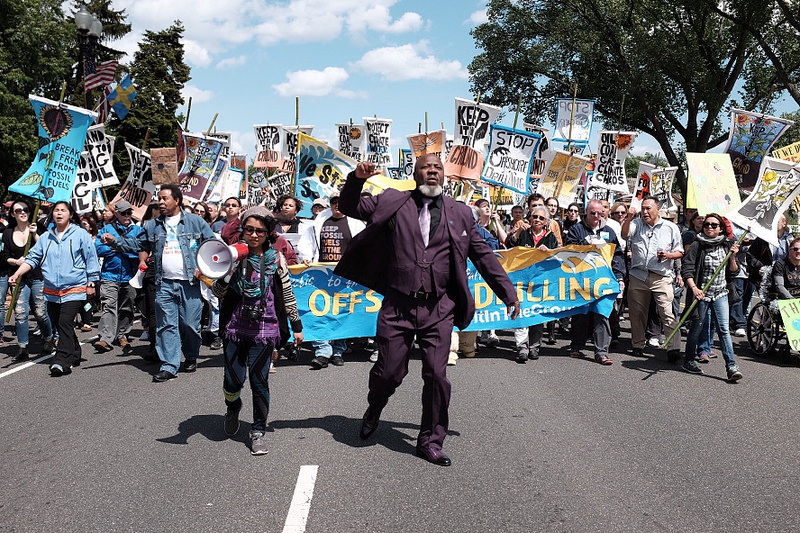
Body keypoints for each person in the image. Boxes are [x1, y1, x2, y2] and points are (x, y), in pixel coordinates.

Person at [335, 154, 520, 467]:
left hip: (439, 307)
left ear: (444, 176)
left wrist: (508, 293)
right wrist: (357, 179)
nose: (432, 171)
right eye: (426, 167)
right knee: (389, 373)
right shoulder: (392, 202)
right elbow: (351, 206)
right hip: (398, 305)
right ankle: (375, 406)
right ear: (415, 173)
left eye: (437, 168)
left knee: (437, 374)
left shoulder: (461, 213)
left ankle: (430, 440)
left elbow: (484, 256)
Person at [213, 208, 303, 455]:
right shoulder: (232, 256)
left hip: (266, 328)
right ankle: (233, 407)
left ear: (268, 233)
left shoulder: (277, 259)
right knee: (232, 380)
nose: (254, 235)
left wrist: (296, 326)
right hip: (235, 327)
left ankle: (258, 430)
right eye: (249, 229)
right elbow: (218, 293)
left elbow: (286, 293)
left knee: (259, 380)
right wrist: (229, 271)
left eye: (260, 231)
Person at [119, 184, 216, 382]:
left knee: (190, 324)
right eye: (159, 199)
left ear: (177, 200)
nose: (160, 202)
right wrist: (114, 241)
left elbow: (212, 246)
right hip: (163, 284)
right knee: (166, 325)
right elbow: (139, 244)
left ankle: (190, 355)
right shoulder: (153, 225)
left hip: (190, 283)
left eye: (165, 198)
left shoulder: (196, 222)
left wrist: (204, 268)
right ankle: (169, 365)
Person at [9, 201, 100, 376]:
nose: (59, 213)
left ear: (70, 214)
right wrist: (17, 274)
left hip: (75, 286)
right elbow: (32, 258)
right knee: (59, 324)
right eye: (56, 211)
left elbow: (91, 258)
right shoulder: (45, 238)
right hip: (51, 290)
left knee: (65, 321)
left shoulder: (80, 234)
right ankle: (74, 352)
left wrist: (92, 282)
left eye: (63, 210)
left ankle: (62, 361)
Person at [297, 195, 365, 369]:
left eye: (341, 202)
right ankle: (322, 351)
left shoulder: (356, 223)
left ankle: (338, 351)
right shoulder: (320, 221)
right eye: (334, 202)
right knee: (318, 311)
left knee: (342, 312)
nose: (337, 206)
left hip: (346, 276)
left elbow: (363, 246)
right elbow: (308, 243)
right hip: (321, 276)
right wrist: (305, 257)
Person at [621, 196, 684, 362]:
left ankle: (673, 348)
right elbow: (624, 234)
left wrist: (669, 255)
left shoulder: (671, 228)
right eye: (643, 208)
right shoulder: (636, 223)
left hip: (661, 277)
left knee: (667, 313)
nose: (645, 211)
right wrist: (629, 217)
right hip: (638, 275)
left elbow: (680, 251)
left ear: (658, 209)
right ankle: (637, 345)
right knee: (637, 313)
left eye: (648, 208)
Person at [681, 213, 743, 381]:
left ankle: (731, 366)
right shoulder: (697, 244)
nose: (709, 227)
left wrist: (733, 257)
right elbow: (686, 268)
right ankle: (689, 360)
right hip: (701, 294)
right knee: (697, 328)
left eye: (714, 225)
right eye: (707, 224)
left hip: (720, 293)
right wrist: (694, 288)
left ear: (721, 228)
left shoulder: (728, 245)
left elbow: (734, 271)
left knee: (724, 330)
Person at [565, 199, 625, 365]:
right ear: (587, 213)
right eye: (593, 213)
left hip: (602, 281)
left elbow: (617, 256)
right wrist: (586, 244)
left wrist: (619, 276)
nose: (597, 216)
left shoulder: (610, 232)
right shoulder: (576, 230)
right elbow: (569, 250)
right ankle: (576, 345)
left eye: (600, 213)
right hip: (582, 280)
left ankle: (601, 352)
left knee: (602, 314)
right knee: (580, 315)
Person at [0, 200, 54, 360]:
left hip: (38, 277)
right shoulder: (9, 232)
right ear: (12, 214)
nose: (23, 212)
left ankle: (49, 338)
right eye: (18, 210)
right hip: (19, 278)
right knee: (20, 312)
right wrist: (16, 262)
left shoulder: (39, 228)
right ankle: (23, 347)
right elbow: (4, 256)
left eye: (25, 209)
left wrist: (36, 235)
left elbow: (48, 251)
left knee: (40, 312)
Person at [506, 205, 558, 363]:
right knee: (520, 312)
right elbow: (509, 247)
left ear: (546, 222)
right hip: (522, 280)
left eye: (541, 218)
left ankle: (534, 346)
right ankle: (522, 347)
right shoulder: (524, 233)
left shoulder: (550, 237)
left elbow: (557, 258)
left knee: (537, 314)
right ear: (530, 218)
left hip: (541, 282)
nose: (537, 220)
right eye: (535, 217)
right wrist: (517, 232)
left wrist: (548, 251)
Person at [93, 199, 144, 353]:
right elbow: (98, 249)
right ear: (117, 214)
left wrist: (119, 246)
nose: (127, 215)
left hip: (130, 275)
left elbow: (140, 249)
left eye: (129, 212)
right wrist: (114, 249)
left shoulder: (137, 230)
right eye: (123, 213)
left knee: (127, 306)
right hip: (110, 274)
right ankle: (105, 338)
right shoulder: (106, 229)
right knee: (109, 305)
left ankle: (122, 334)